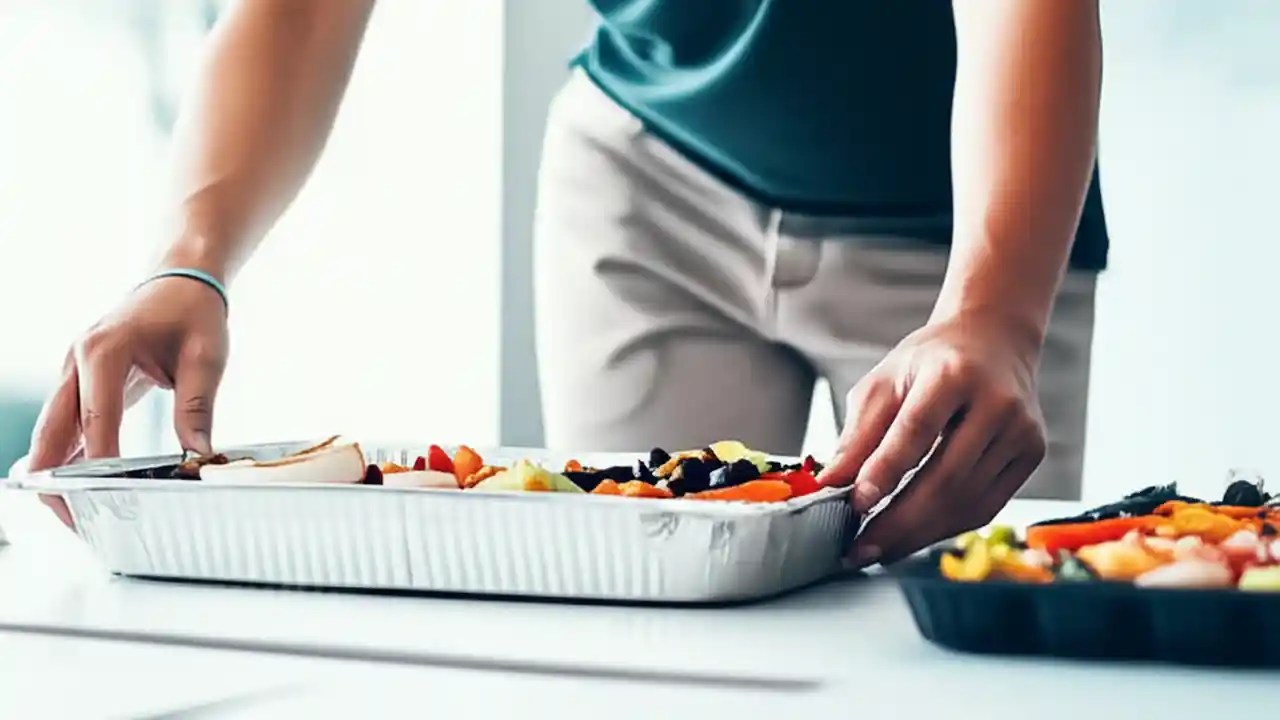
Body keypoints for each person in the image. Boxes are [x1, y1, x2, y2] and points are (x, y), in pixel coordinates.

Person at [26, 0, 1106, 566]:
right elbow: (301, 9)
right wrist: (187, 258)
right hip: (644, 188)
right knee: (649, 647)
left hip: (962, 220)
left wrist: (994, 309)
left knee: (968, 630)